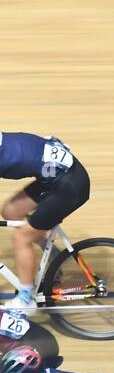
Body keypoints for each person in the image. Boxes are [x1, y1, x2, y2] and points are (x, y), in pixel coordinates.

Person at [0, 133, 91, 313]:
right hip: (53, 175)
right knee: (11, 211)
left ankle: (26, 300)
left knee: (22, 237)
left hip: (69, 186)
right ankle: (53, 256)